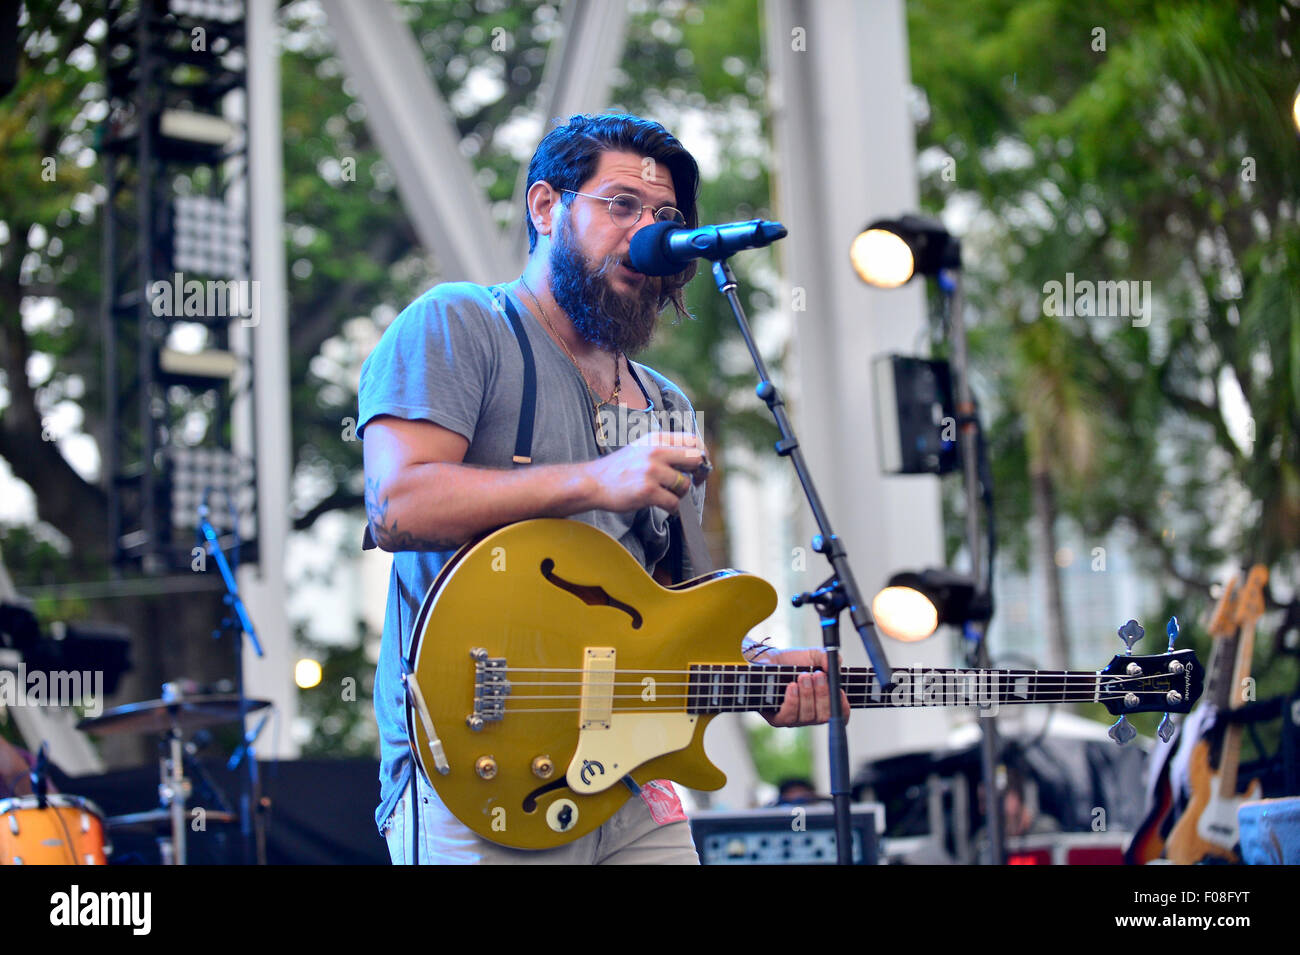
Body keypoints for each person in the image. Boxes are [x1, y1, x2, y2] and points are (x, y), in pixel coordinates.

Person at [358, 113, 844, 864]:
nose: (647, 231)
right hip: (480, 769)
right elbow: (397, 506)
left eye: (666, 217)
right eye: (620, 205)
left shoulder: (667, 404)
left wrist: (760, 667)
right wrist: (596, 477)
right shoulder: (458, 325)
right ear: (546, 207)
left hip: (631, 775)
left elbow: (673, 600)